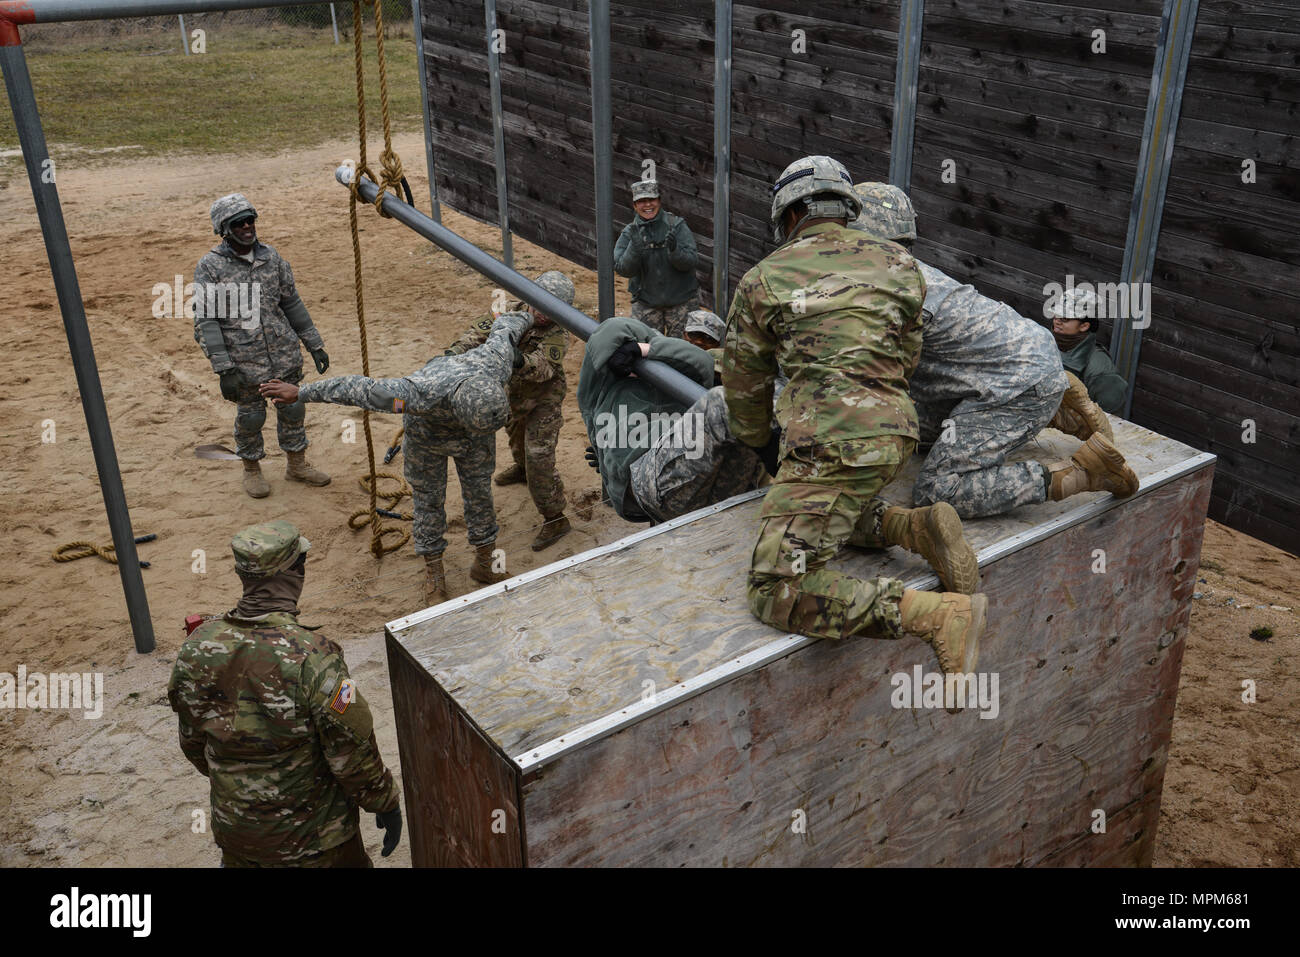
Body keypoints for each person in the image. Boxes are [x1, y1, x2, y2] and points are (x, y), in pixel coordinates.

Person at [724, 156, 986, 681]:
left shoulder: (764, 278)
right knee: (830, 508)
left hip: (830, 443)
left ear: (790, 212)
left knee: (776, 588)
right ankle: (910, 528)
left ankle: (934, 616)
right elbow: (905, 355)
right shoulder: (900, 266)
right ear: (847, 207)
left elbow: (742, 383)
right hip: (894, 436)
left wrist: (760, 443)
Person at [851, 182, 1136, 519]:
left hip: (1014, 380)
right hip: (1011, 364)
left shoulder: (876, 290)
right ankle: (1052, 404)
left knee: (937, 491)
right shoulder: (908, 271)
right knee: (913, 432)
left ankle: (1083, 473)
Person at [168, 520, 402, 867]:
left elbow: (193, 745)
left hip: (238, 837)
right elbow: (350, 752)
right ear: (296, 574)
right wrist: (384, 801)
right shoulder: (315, 656)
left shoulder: (196, 648)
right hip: (316, 842)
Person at [260, 312, 532, 603]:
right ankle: (434, 574)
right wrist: (301, 392)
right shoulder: (416, 392)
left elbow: (509, 323)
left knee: (479, 494)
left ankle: (485, 562)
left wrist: (535, 313)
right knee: (428, 501)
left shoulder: (496, 362)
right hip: (429, 440)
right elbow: (359, 390)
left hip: (475, 440)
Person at [193, 193, 331, 499]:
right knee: (251, 417)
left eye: (250, 220)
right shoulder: (210, 267)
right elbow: (206, 321)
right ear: (223, 229)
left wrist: (314, 344)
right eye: (237, 223)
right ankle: (252, 469)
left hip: (283, 355)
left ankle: (296, 464)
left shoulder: (272, 257)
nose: (246, 227)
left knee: (293, 407)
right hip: (244, 363)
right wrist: (224, 369)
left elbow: (291, 302)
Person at [578, 316, 768, 524]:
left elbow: (702, 360)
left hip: (675, 477)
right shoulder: (613, 391)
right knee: (729, 405)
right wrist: (607, 460)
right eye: (694, 336)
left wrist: (645, 350)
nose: (700, 342)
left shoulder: (677, 369)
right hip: (647, 479)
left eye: (707, 339)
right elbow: (590, 406)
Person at [445, 271, 576, 551]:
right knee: (516, 438)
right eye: (539, 304)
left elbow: (542, 370)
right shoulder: (507, 311)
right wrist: (452, 354)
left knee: (539, 456)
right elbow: (476, 334)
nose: (542, 314)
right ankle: (521, 469)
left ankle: (555, 517)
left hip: (543, 400)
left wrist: (515, 358)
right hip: (512, 396)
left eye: (552, 310)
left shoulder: (558, 334)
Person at [613, 180, 700, 337]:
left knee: (682, 354)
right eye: (641, 201)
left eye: (651, 200)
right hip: (646, 304)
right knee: (646, 352)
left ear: (659, 201)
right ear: (634, 205)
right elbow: (622, 269)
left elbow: (692, 261)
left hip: (682, 304)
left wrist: (675, 251)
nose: (647, 205)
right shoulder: (630, 232)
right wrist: (635, 249)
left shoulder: (677, 225)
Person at [1048, 287, 1129, 416]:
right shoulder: (1045, 343)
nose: (1057, 321)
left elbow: (1106, 419)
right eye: (1056, 316)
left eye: (1065, 319)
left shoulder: (1101, 371)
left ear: (1084, 326)